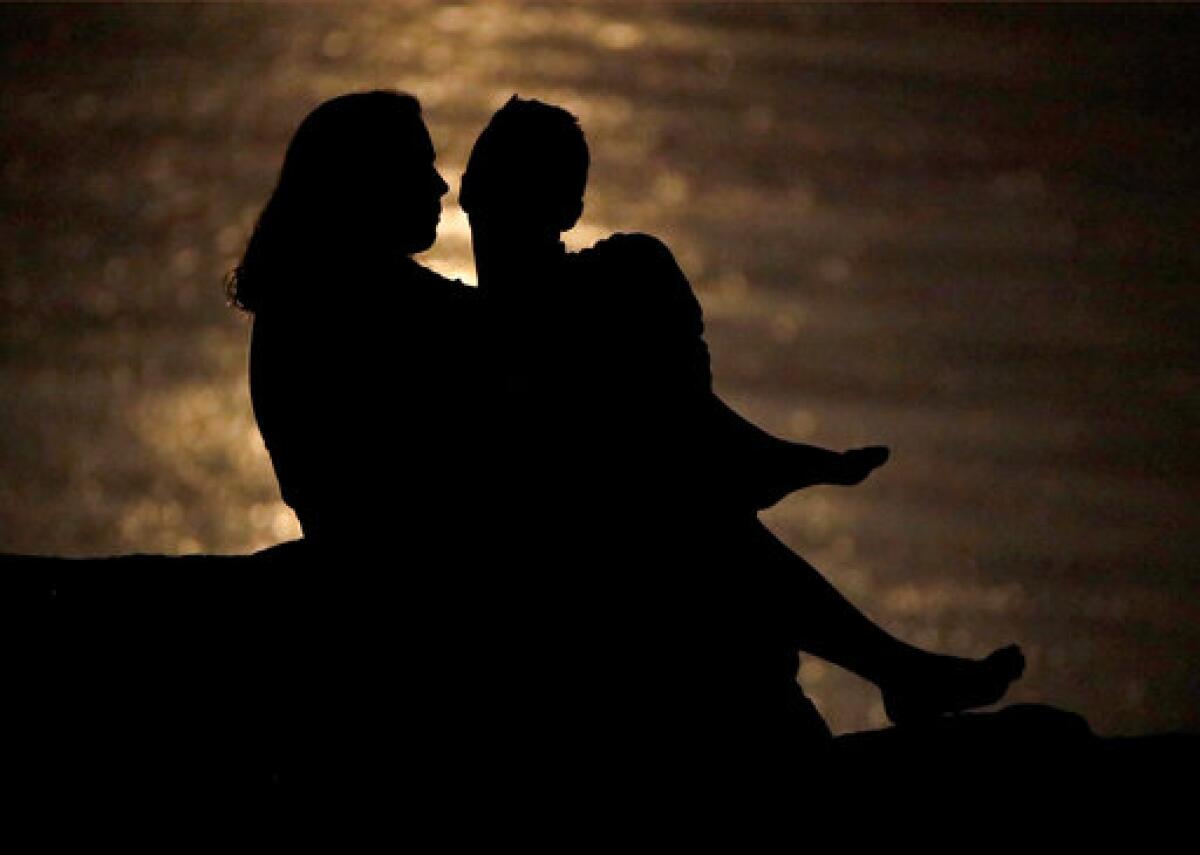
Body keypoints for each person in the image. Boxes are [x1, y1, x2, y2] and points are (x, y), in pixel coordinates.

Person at [458, 96, 1025, 781]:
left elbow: (681, 424)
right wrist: (789, 462)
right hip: (591, 594)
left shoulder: (557, 303)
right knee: (693, 514)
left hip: (642, 562)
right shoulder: (478, 330)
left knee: (691, 506)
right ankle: (897, 667)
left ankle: (895, 665)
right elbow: (680, 434)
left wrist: (783, 461)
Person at [227, 90, 488, 792]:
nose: (440, 186)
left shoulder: (316, 298)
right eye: (420, 167)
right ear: (366, 184)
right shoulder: (368, 308)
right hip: (406, 606)